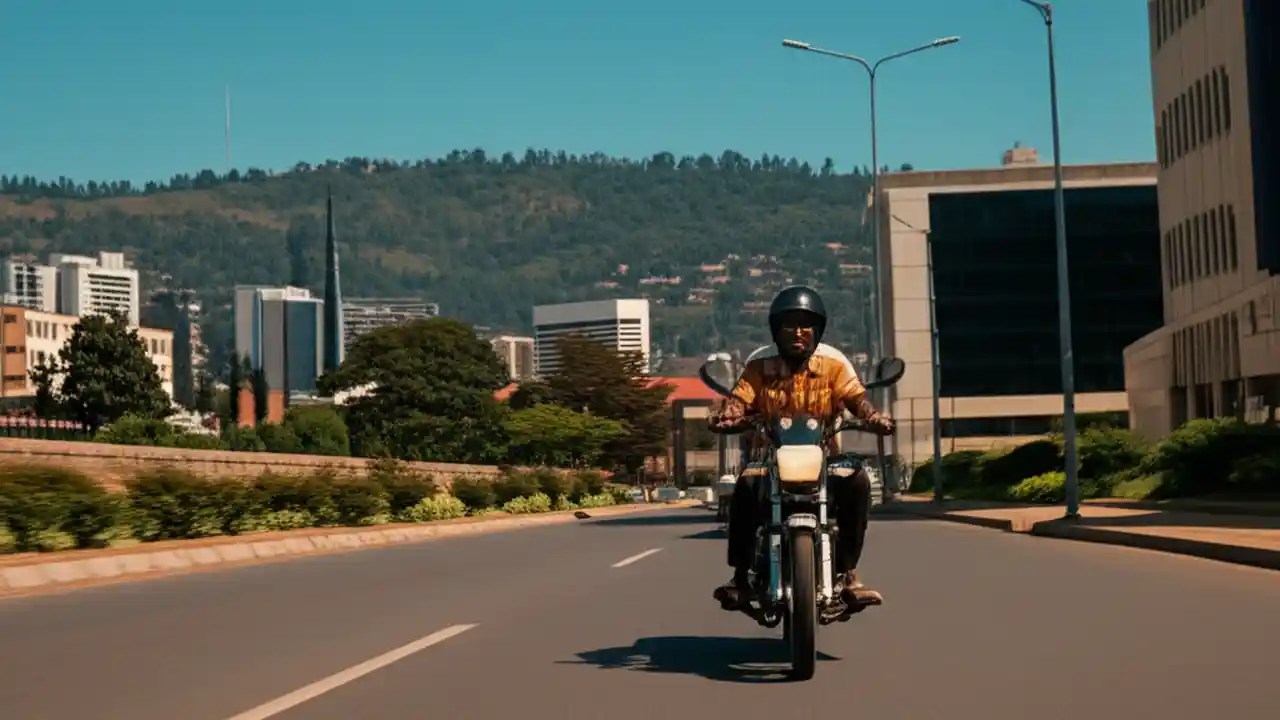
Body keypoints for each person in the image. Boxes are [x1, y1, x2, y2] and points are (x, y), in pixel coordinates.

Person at [708, 285, 894, 613]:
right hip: (769, 458)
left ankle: (849, 573)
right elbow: (740, 400)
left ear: (817, 330)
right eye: (789, 324)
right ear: (775, 330)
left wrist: (875, 417)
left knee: (858, 481)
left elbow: (857, 399)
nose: (798, 332)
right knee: (746, 486)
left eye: (806, 325)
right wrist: (728, 415)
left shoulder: (835, 363)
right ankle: (739, 576)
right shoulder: (758, 365)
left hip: (826, 458)